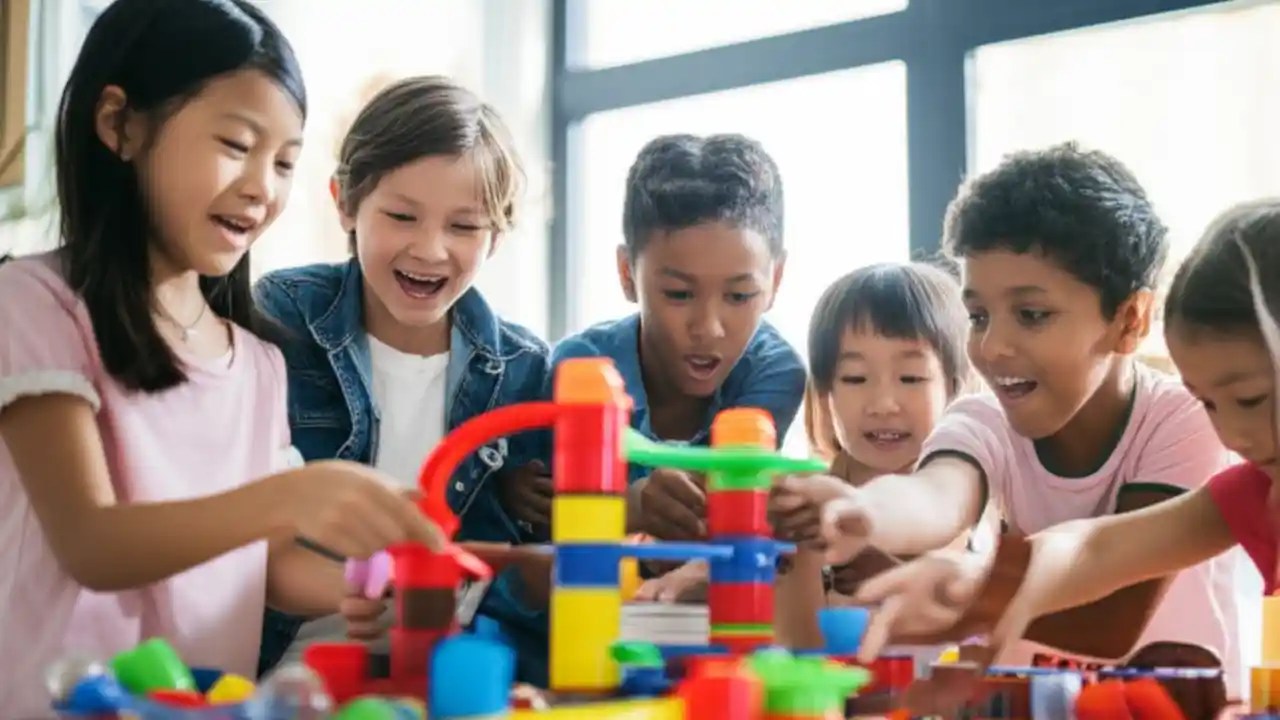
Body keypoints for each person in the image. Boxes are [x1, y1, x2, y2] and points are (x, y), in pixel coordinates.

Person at [0, 2, 439, 715]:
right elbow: (90, 542)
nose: (262, 188)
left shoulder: (259, 363)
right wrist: (290, 498)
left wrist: (365, 591)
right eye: (236, 144)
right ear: (120, 125)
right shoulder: (34, 302)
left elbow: (264, 566)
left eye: (286, 162)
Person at [771, 143, 1241, 693]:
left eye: (1031, 315)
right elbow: (935, 496)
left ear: (1129, 319)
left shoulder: (1183, 418)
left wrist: (967, 595)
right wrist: (862, 509)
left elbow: (1112, 614)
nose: (992, 347)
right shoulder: (984, 417)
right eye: (978, 315)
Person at [847, 199, 1280, 718]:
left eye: (1251, 400)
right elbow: (1095, 547)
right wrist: (977, 581)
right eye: (1207, 402)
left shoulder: (1178, 428)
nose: (1233, 434)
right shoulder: (1253, 496)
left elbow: (1113, 608)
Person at [252, 76, 550, 679]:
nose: (430, 248)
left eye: (464, 227)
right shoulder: (284, 315)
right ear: (345, 203)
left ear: (496, 234)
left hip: (445, 676)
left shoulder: (525, 370)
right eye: (402, 216)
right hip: (292, 668)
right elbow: (244, 523)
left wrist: (443, 600)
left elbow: (525, 567)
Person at [541, 133, 805, 547]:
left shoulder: (775, 372)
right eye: (679, 294)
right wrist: (632, 505)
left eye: (739, 296)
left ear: (775, 280)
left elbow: (723, 503)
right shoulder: (580, 368)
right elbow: (536, 526)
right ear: (627, 273)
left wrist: (619, 508)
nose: (709, 327)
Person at [769, 262, 974, 650]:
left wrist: (892, 580)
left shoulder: (965, 509)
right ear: (826, 394)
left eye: (911, 378)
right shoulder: (802, 505)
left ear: (953, 389)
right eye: (855, 378)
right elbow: (794, 652)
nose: (883, 404)